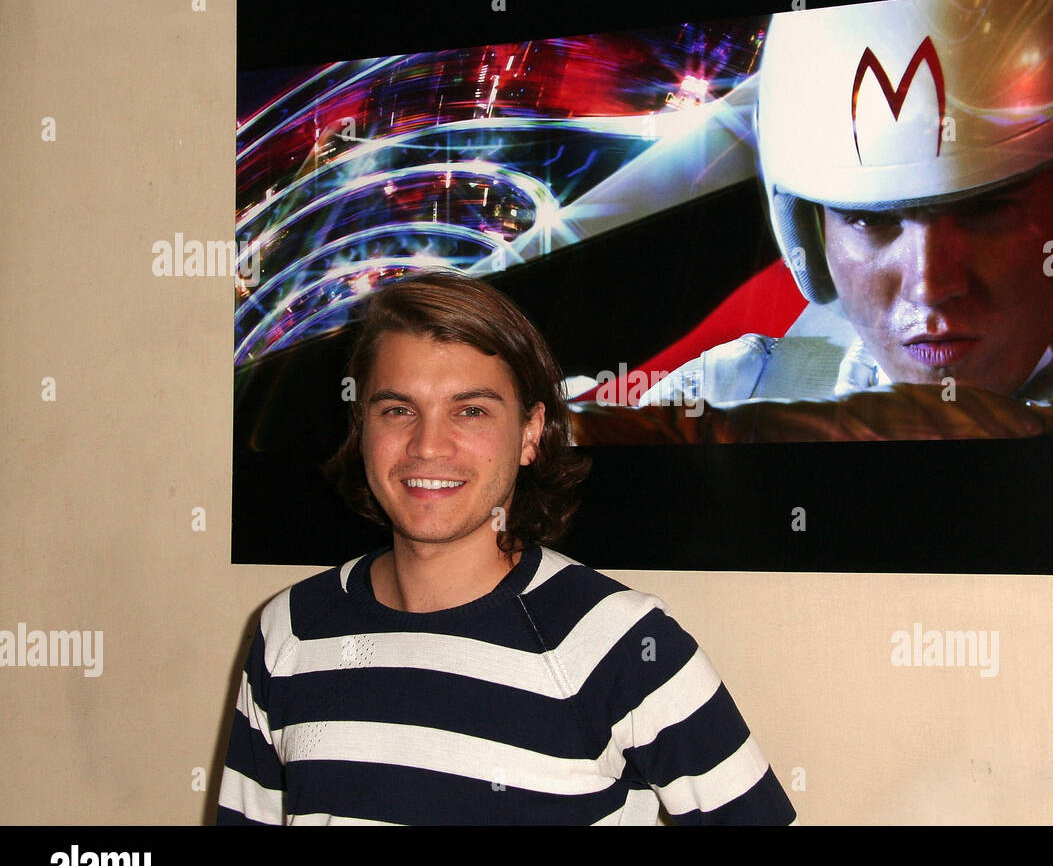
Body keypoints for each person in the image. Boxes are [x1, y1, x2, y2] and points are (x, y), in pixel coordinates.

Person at [217, 271, 797, 825]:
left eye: (470, 411)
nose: (428, 445)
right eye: (397, 409)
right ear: (360, 429)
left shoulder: (622, 644)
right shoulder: (289, 630)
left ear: (530, 434)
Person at [572, 0, 1053, 443]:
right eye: (871, 220)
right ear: (808, 231)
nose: (931, 287)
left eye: (985, 211)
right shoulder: (738, 387)